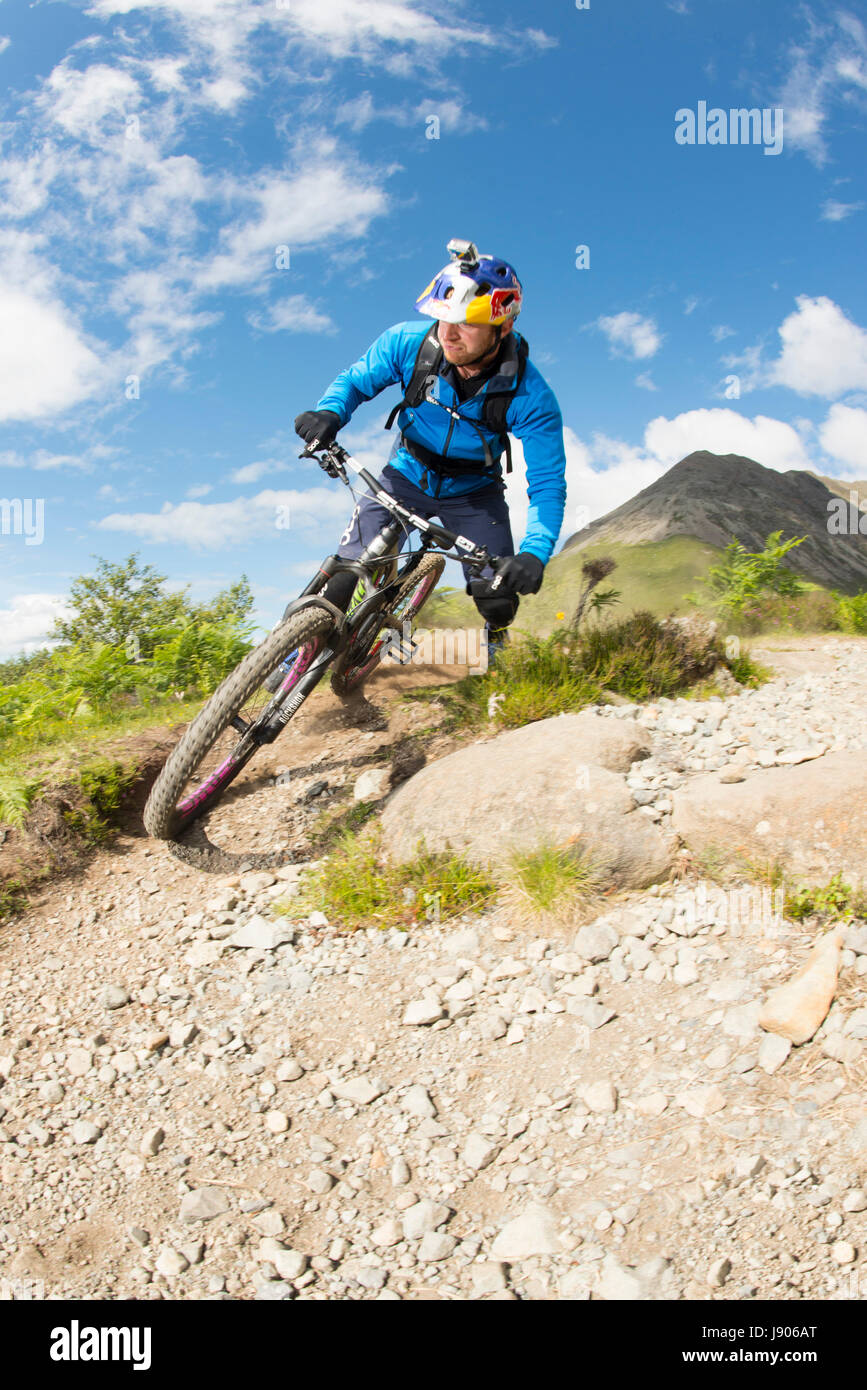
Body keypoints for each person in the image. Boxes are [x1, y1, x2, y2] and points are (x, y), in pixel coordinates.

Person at [293, 237, 567, 667]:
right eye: (442, 319)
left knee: (497, 601)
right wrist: (328, 413)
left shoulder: (532, 395)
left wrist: (535, 552)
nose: (449, 333)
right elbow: (355, 381)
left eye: (467, 323)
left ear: (503, 327)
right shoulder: (408, 343)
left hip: (475, 493)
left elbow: (548, 485)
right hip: (405, 475)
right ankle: (291, 662)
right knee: (344, 575)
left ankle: (496, 644)